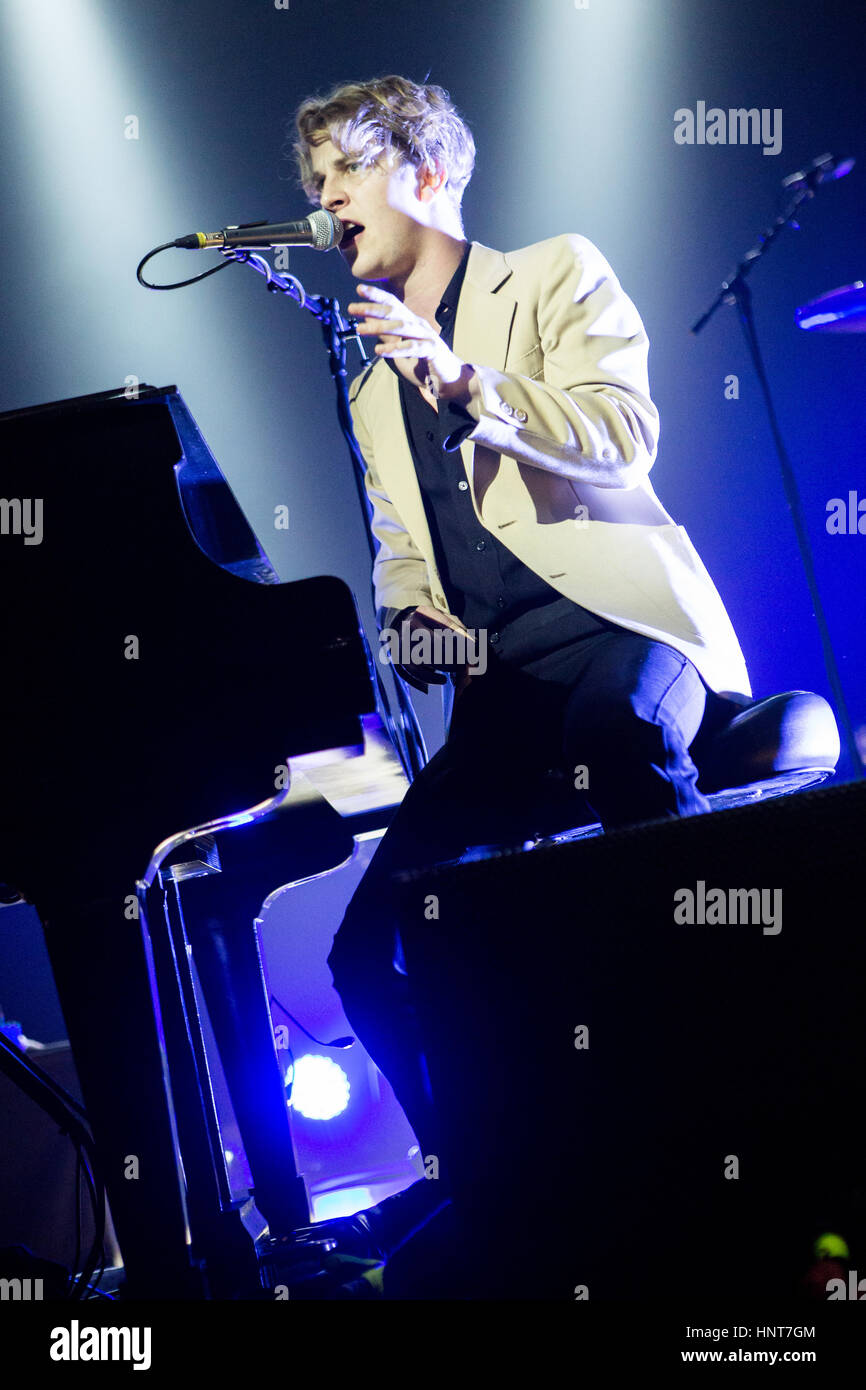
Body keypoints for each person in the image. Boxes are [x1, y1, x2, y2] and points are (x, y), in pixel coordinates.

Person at [292, 74, 752, 1258]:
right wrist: (406, 631)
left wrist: (466, 384)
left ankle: (723, 1096)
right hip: (501, 690)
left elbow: (621, 433)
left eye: (346, 168)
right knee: (368, 949)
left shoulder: (549, 272)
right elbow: (406, 563)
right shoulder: (363, 388)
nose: (324, 196)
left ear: (430, 172)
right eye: (314, 181)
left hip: (621, 635)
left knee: (616, 738)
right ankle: (489, 1170)